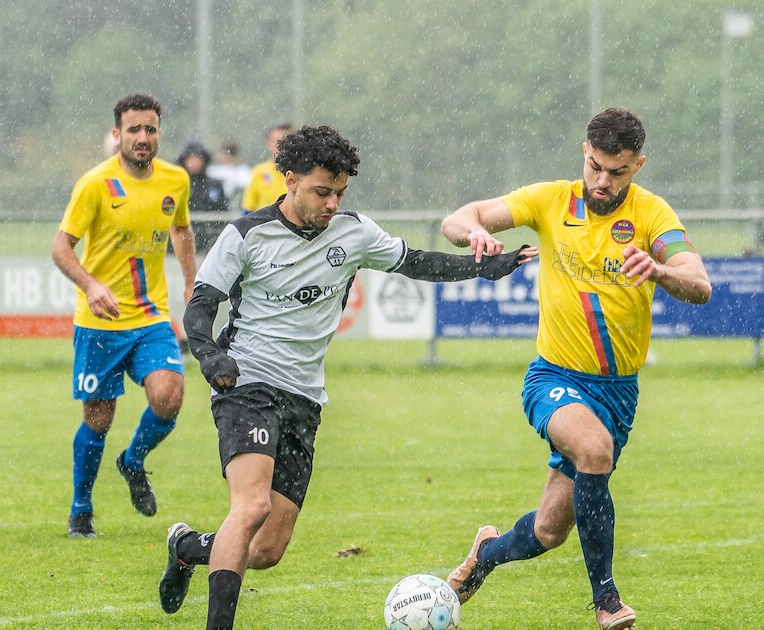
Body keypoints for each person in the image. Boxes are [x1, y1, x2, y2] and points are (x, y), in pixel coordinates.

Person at [158, 125, 536, 629]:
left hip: (303, 397)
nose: (332, 203)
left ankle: (187, 547)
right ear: (289, 180)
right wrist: (210, 358)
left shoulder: (353, 232)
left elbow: (415, 261)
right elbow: (201, 307)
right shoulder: (246, 235)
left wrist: (480, 268)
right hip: (246, 383)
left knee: (268, 549)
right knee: (248, 507)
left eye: (339, 192)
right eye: (322, 191)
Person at [439, 107, 711, 630]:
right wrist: (475, 234)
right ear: (584, 153)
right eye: (595, 167)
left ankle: (484, 556)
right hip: (554, 378)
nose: (602, 182)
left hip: (618, 393)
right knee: (593, 448)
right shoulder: (549, 200)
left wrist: (659, 270)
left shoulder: (653, 216)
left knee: (547, 531)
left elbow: (698, 284)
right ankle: (607, 601)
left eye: (617, 172)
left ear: (638, 166)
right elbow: (458, 217)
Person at [51, 94, 197, 538]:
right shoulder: (95, 184)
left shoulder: (175, 180)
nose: (142, 137)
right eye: (133, 129)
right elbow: (61, 248)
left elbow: (183, 230)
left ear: (158, 134)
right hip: (100, 324)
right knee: (98, 419)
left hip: (150, 316)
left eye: (150, 129)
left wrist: (193, 286)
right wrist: (92, 285)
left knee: (169, 396)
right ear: (117, 135)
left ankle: (133, 461)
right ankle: (81, 510)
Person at [177, 139, 231, 253]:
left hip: (210, 245)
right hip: (180, 246)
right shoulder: (176, 184)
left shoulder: (215, 184)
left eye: (198, 157)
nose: (194, 161)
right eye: (190, 157)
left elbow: (223, 213)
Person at [239, 123, 291, 213]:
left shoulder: (302, 173)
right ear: (268, 143)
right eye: (277, 141)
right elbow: (248, 210)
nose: (281, 146)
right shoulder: (258, 172)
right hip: (264, 225)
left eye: (286, 141)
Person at [207, 141, 251, 210]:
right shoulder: (213, 171)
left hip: (240, 209)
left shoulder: (243, 171)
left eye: (231, 155)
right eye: (225, 155)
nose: (228, 158)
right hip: (219, 209)